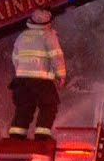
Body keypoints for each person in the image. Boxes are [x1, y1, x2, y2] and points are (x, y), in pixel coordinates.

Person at [8, 9, 66, 141]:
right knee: (49, 106)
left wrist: (22, 72)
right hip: (41, 81)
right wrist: (61, 75)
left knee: (24, 107)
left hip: (21, 81)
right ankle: (42, 135)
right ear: (48, 23)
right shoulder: (49, 36)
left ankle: (16, 136)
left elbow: (15, 58)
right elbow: (57, 57)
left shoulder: (22, 36)